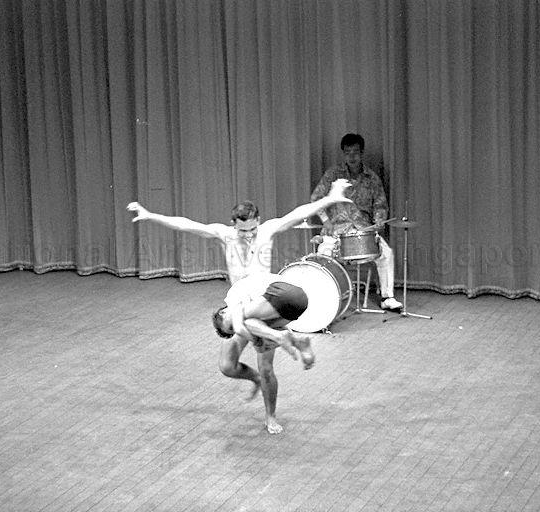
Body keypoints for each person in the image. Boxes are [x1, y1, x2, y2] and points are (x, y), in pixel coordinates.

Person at [126, 179, 352, 284]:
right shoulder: (225, 234)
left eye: (252, 229)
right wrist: (151, 215)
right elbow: (187, 224)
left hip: (263, 293)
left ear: (258, 221)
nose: (249, 235)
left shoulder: (267, 229)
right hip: (238, 297)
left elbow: (296, 213)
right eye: (243, 231)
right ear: (233, 224)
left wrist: (330, 199)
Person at [212, 272, 315, 434]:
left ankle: (270, 416)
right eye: (230, 330)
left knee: (266, 367)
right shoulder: (236, 317)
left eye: (230, 326)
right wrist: (258, 340)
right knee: (227, 366)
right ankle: (257, 378)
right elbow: (239, 329)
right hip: (277, 310)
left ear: (224, 311)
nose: (233, 329)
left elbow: (240, 325)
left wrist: (258, 341)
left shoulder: (234, 299)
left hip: (279, 301)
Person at [310, 133, 403, 311]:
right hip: (337, 229)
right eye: (347, 153)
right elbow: (316, 198)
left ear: (362, 153)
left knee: (386, 253)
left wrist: (379, 222)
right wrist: (326, 221)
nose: (351, 157)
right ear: (343, 154)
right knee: (323, 253)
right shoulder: (333, 175)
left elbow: (380, 204)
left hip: (364, 230)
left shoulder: (372, 178)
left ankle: (387, 297)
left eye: (355, 152)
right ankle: (323, 301)